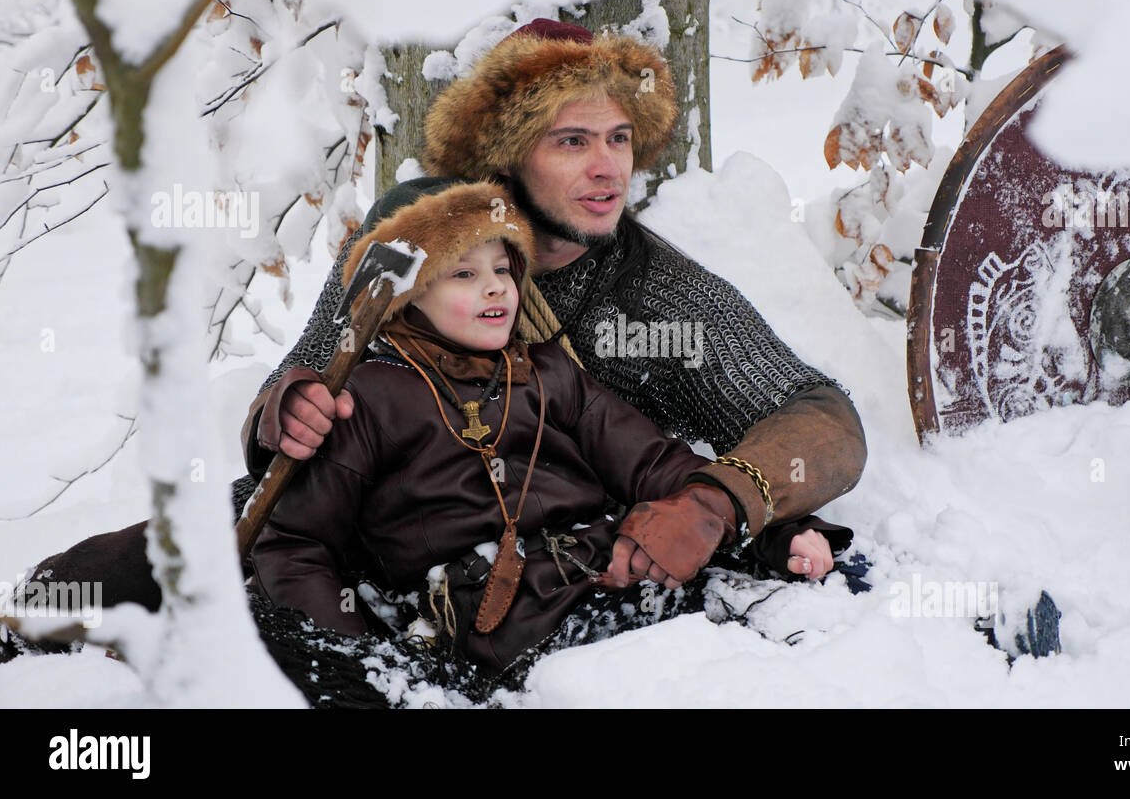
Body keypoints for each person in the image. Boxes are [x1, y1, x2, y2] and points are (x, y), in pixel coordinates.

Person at [242, 18, 870, 593]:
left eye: (619, 139)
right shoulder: (415, 239)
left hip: (531, 584)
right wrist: (287, 409)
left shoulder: (663, 298)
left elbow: (822, 418)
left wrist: (712, 504)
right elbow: (298, 382)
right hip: (337, 538)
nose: (607, 168)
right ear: (507, 154)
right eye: (572, 141)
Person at [251, 178, 852, 677]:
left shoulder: (547, 373)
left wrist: (772, 528)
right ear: (405, 297)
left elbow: (653, 463)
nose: (494, 287)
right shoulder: (365, 402)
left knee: (804, 614)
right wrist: (374, 668)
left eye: (503, 269)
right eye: (462, 274)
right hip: (501, 631)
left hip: (604, 577)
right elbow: (297, 547)